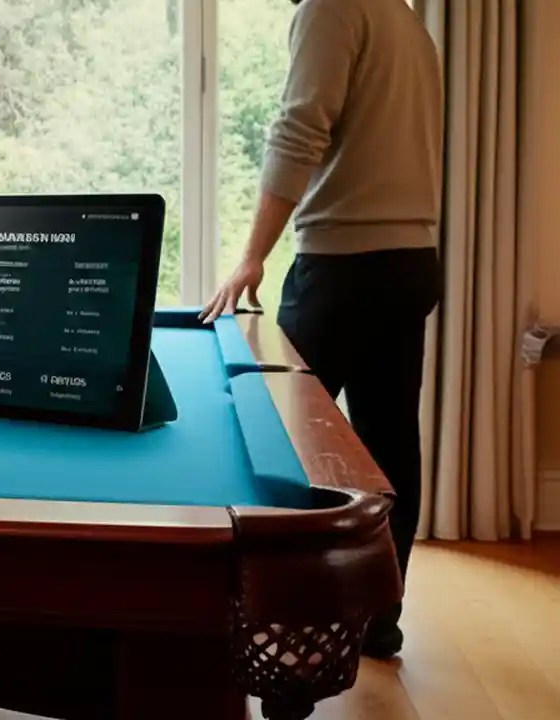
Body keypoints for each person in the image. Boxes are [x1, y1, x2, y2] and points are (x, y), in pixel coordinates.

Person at [200, 0, 443, 659]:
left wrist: (252, 254)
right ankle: (376, 619)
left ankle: (270, 617)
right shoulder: (407, 24)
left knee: (273, 433)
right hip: (412, 261)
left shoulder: (331, 7)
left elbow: (298, 129)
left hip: (344, 268)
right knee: (390, 443)